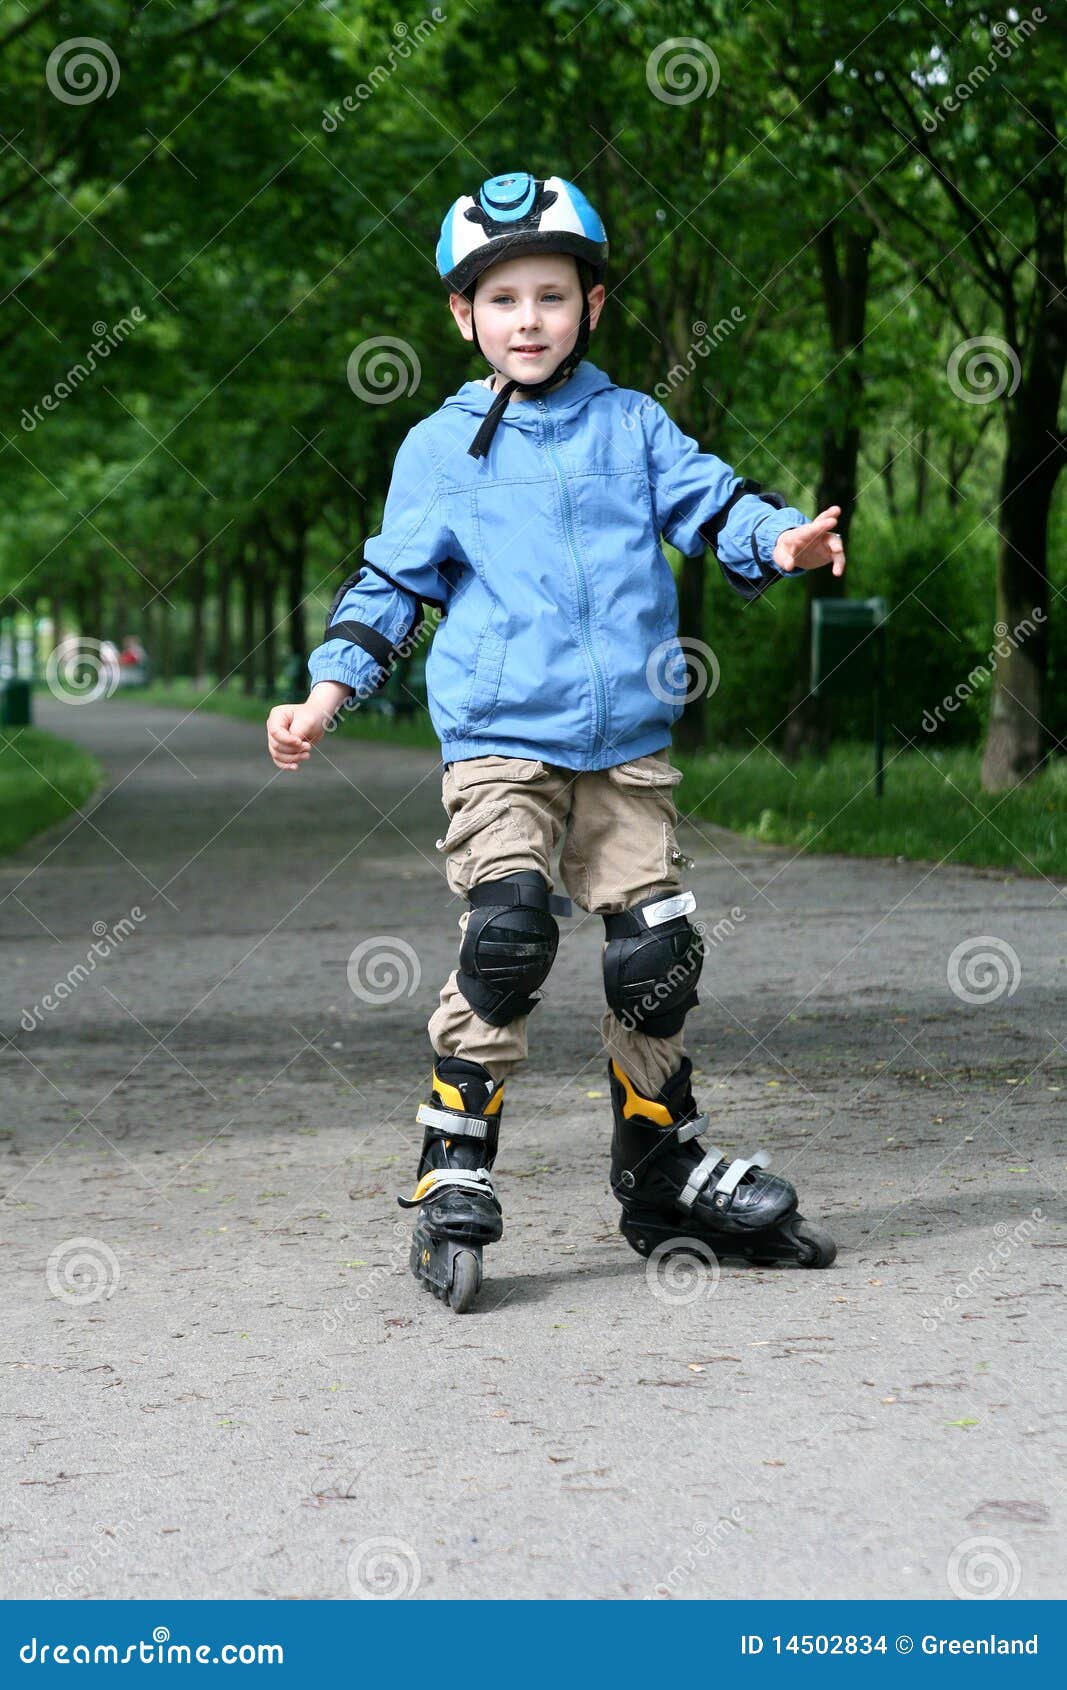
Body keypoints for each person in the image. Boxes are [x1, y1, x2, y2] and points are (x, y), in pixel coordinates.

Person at [266, 172, 845, 1310]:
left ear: (591, 304)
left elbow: (713, 501)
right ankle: (453, 1162)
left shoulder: (632, 425)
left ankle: (659, 1161)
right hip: (499, 742)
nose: (526, 320)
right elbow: (391, 584)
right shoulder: (441, 449)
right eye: (501, 300)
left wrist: (781, 542)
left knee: (656, 957)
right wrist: (326, 695)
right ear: (462, 316)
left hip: (624, 745)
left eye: (550, 296)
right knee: (509, 934)